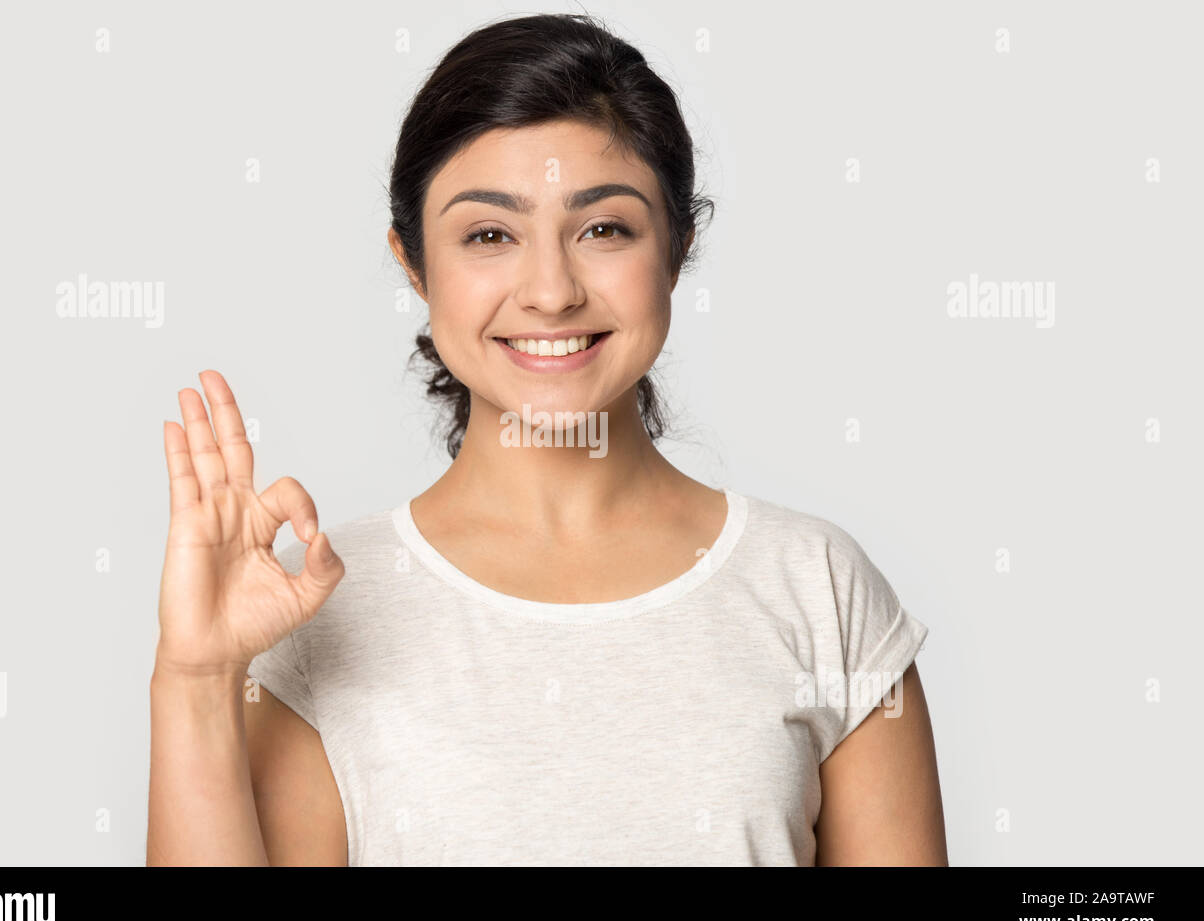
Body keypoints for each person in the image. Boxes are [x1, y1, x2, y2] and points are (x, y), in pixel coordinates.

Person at [146, 13, 946, 866]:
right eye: (489, 235)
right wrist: (196, 681)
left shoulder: (817, 589)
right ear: (414, 264)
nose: (551, 291)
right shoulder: (319, 610)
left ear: (677, 247)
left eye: (604, 229)